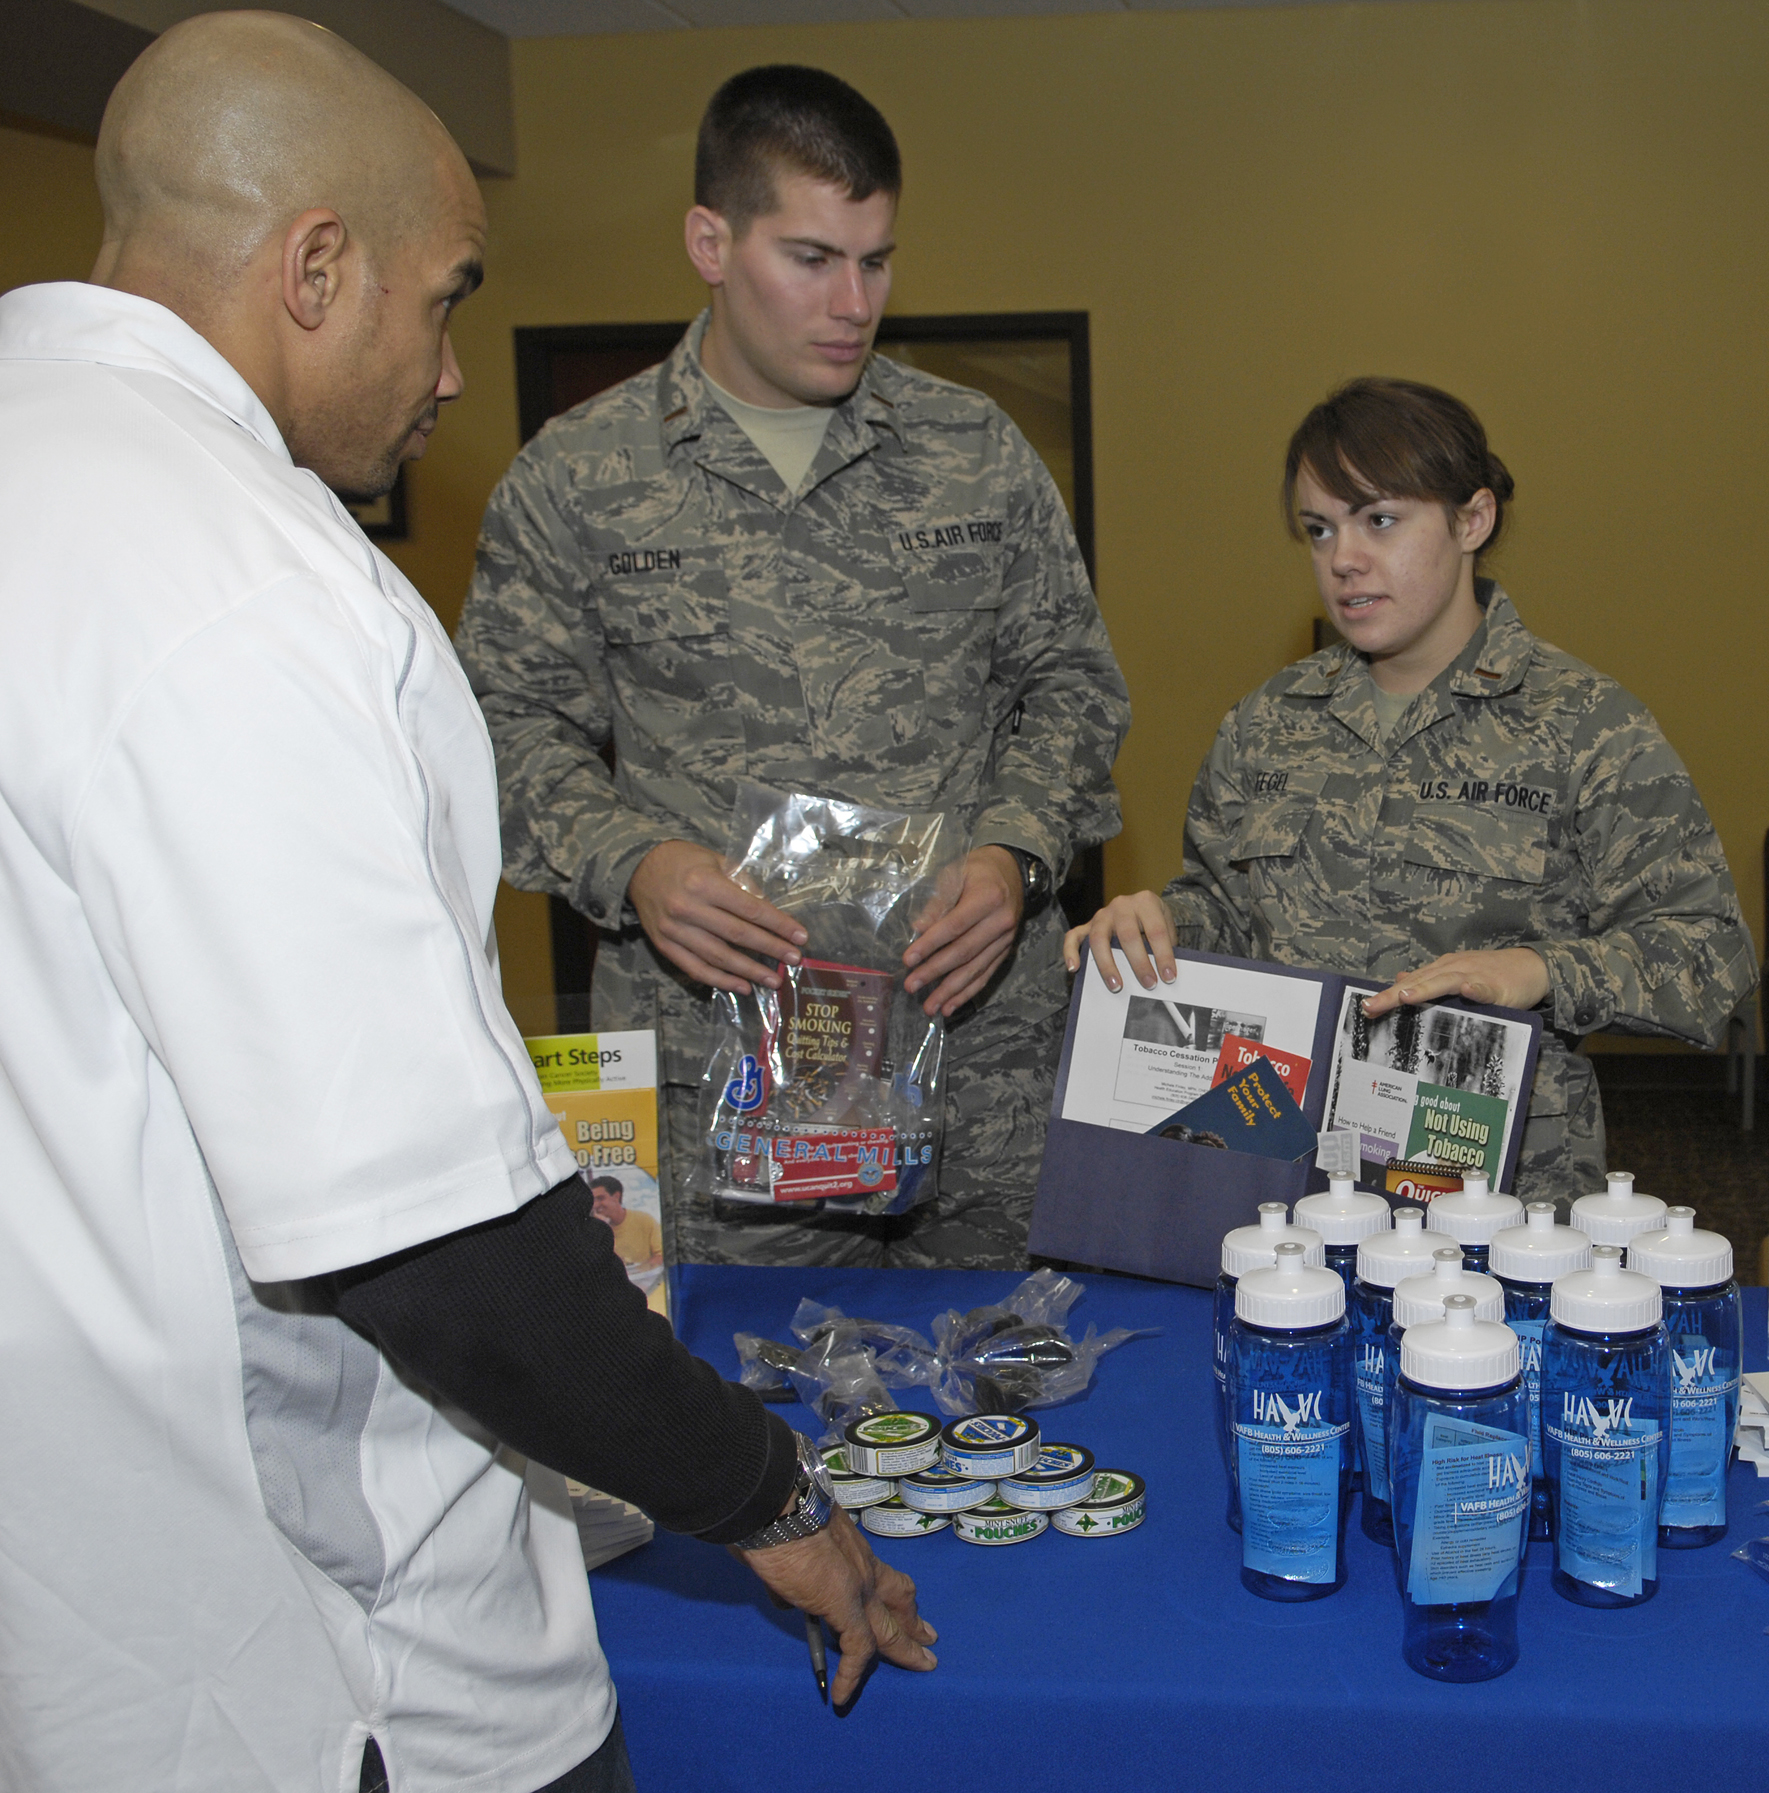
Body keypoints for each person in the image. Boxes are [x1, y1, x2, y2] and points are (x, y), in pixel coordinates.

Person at [0, 19, 933, 1791]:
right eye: (439, 303)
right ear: (315, 266)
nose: (448, 373)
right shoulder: (242, 586)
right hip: (318, 1654)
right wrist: (763, 1493)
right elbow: (420, 1229)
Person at [459, 65, 1128, 1272]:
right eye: (812, 258)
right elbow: (501, 728)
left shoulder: (974, 453)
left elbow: (1072, 688)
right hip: (731, 1064)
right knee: (750, 1415)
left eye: (877, 261)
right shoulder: (580, 477)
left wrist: (1016, 847)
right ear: (710, 242)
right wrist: (637, 861)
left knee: (1022, 1403)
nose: (854, 301)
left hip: (980, 1051)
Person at [1066, 378, 1754, 1202]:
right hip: (1284, 1183)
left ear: (1473, 519)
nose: (1342, 558)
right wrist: (1162, 923)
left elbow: (1712, 955)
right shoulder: (1265, 724)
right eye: (1319, 530)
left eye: (1379, 520)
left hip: (1496, 1205)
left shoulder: (1586, 727)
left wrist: (1541, 969)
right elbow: (1226, 910)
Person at [591, 1174, 665, 1277]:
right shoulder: (592, 1230)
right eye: (593, 1200)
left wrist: (639, 1272)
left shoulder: (644, 1220)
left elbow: (661, 1255)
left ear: (616, 1196)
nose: (595, 1205)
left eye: (600, 1198)